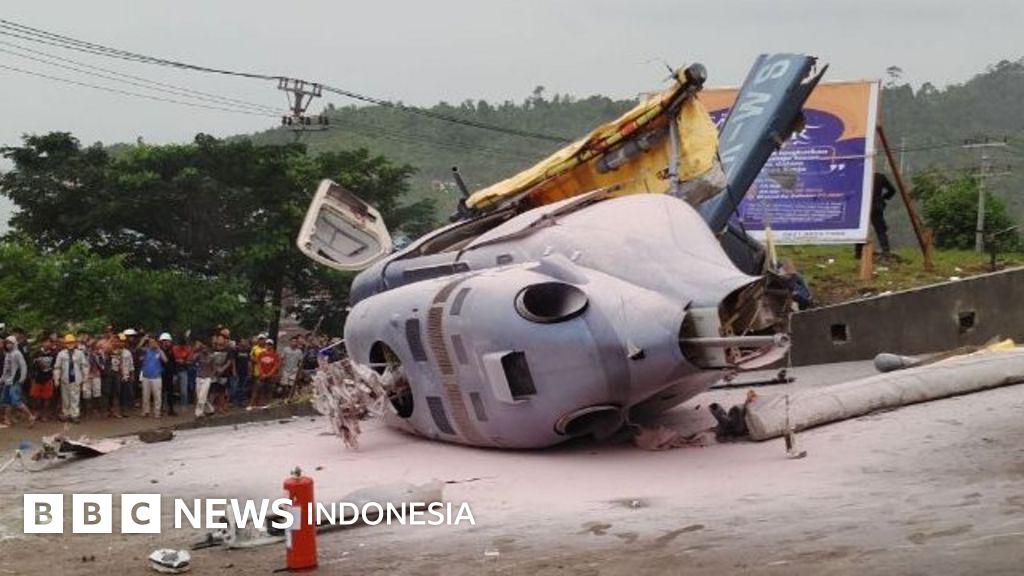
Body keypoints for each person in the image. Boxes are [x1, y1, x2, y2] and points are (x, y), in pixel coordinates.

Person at [856, 172, 898, 259]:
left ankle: (859, 252)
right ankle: (885, 251)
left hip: (863, 206)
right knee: (880, 230)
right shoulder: (879, 177)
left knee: (862, 229)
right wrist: (883, 197)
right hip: (876, 206)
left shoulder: (860, 175)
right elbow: (892, 190)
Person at [1, 335, 35, 427]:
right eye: (7, 343)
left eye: (10, 343)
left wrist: (22, 379)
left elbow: (23, 366)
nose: (8, 345)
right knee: (6, 401)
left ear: (14, 343)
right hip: (7, 381)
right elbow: (5, 368)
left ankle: (30, 416)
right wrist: (2, 379)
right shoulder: (8, 354)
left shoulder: (17, 353)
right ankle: (7, 419)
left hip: (15, 381)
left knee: (16, 401)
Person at [54, 333, 89, 423]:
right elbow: (57, 367)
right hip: (65, 379)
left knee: (75, 398)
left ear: (75, 343)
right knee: (65, 398)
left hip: (76, 379)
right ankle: (66, 414)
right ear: (65, 344)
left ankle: (74, 415)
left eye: (72, 342)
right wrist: (56, 379)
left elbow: (84, 366)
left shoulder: (80, 353)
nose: (70, 344)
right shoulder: (61, 354)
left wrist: (85, 378)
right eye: (68, 342)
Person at [104, 333, 134, 418]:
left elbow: (131, 364)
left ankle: (122, 410)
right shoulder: (111, 351)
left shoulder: (127, 352)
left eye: (122, 342)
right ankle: (110, 410)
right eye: (118, 341)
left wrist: (132, 374)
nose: (119, 343)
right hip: (113, 374)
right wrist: (111, 339)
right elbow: (106, 350)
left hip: (124, 375)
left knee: (122, 394)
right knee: (111, 393)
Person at [29, 335, 58, 422]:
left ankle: (45, 414)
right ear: (42, 343)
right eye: (45, 342)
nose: (47, 344)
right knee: (36, 398)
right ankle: (37, 412)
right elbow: (32, 366)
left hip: (48, 379)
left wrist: (55, 378)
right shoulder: (36, 353)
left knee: (47, 398)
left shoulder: (54, 354)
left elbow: (56, 367)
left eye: (49, 342)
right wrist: (32, 377)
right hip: (37, 379)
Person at [139, 336, 167, 418]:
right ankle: (145, 411)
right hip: (146, 376)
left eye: (153, 342)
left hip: (156, 377)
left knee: (157, 396)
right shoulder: (146, 351)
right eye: (150, 342)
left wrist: (158, 348)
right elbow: (138, 349)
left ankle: (157, 412)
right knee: (145, 395)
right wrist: (143, 340)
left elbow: (165, 360)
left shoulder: (159, 351)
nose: (152, 344)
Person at [250, 338, 280, 408]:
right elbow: (259, 364)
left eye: (270, 345)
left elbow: (276, 366)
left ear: (272, 346)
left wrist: (269, 374)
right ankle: (252, 403)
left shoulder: (275, 355)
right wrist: (262, 373)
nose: (268, 346)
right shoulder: (261, 354)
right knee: (257, 388)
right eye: (267, 344)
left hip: (270, 375)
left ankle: (268, 403)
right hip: (262, 375)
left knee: (269, 389)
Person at [190, 338, 215, 418]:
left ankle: (198, 413)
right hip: (199, 377)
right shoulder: (198, 355)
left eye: (206, 347)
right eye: (203, 347)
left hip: (207, 378)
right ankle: (210, 409)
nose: (204, 349)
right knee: (200, 396)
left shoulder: (212, 356)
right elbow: (190, 360)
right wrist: (194, 350)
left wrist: (211, 376)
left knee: (201, 396)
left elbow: (214, 367)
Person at [83, 339, 106, 418]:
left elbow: (103, 364)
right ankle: (87, 411)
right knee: (87, 394)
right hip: (87, 375)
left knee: (97, 393)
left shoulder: (99, 354)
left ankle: (96, 410)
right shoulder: (84, 352)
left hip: (96, 375)